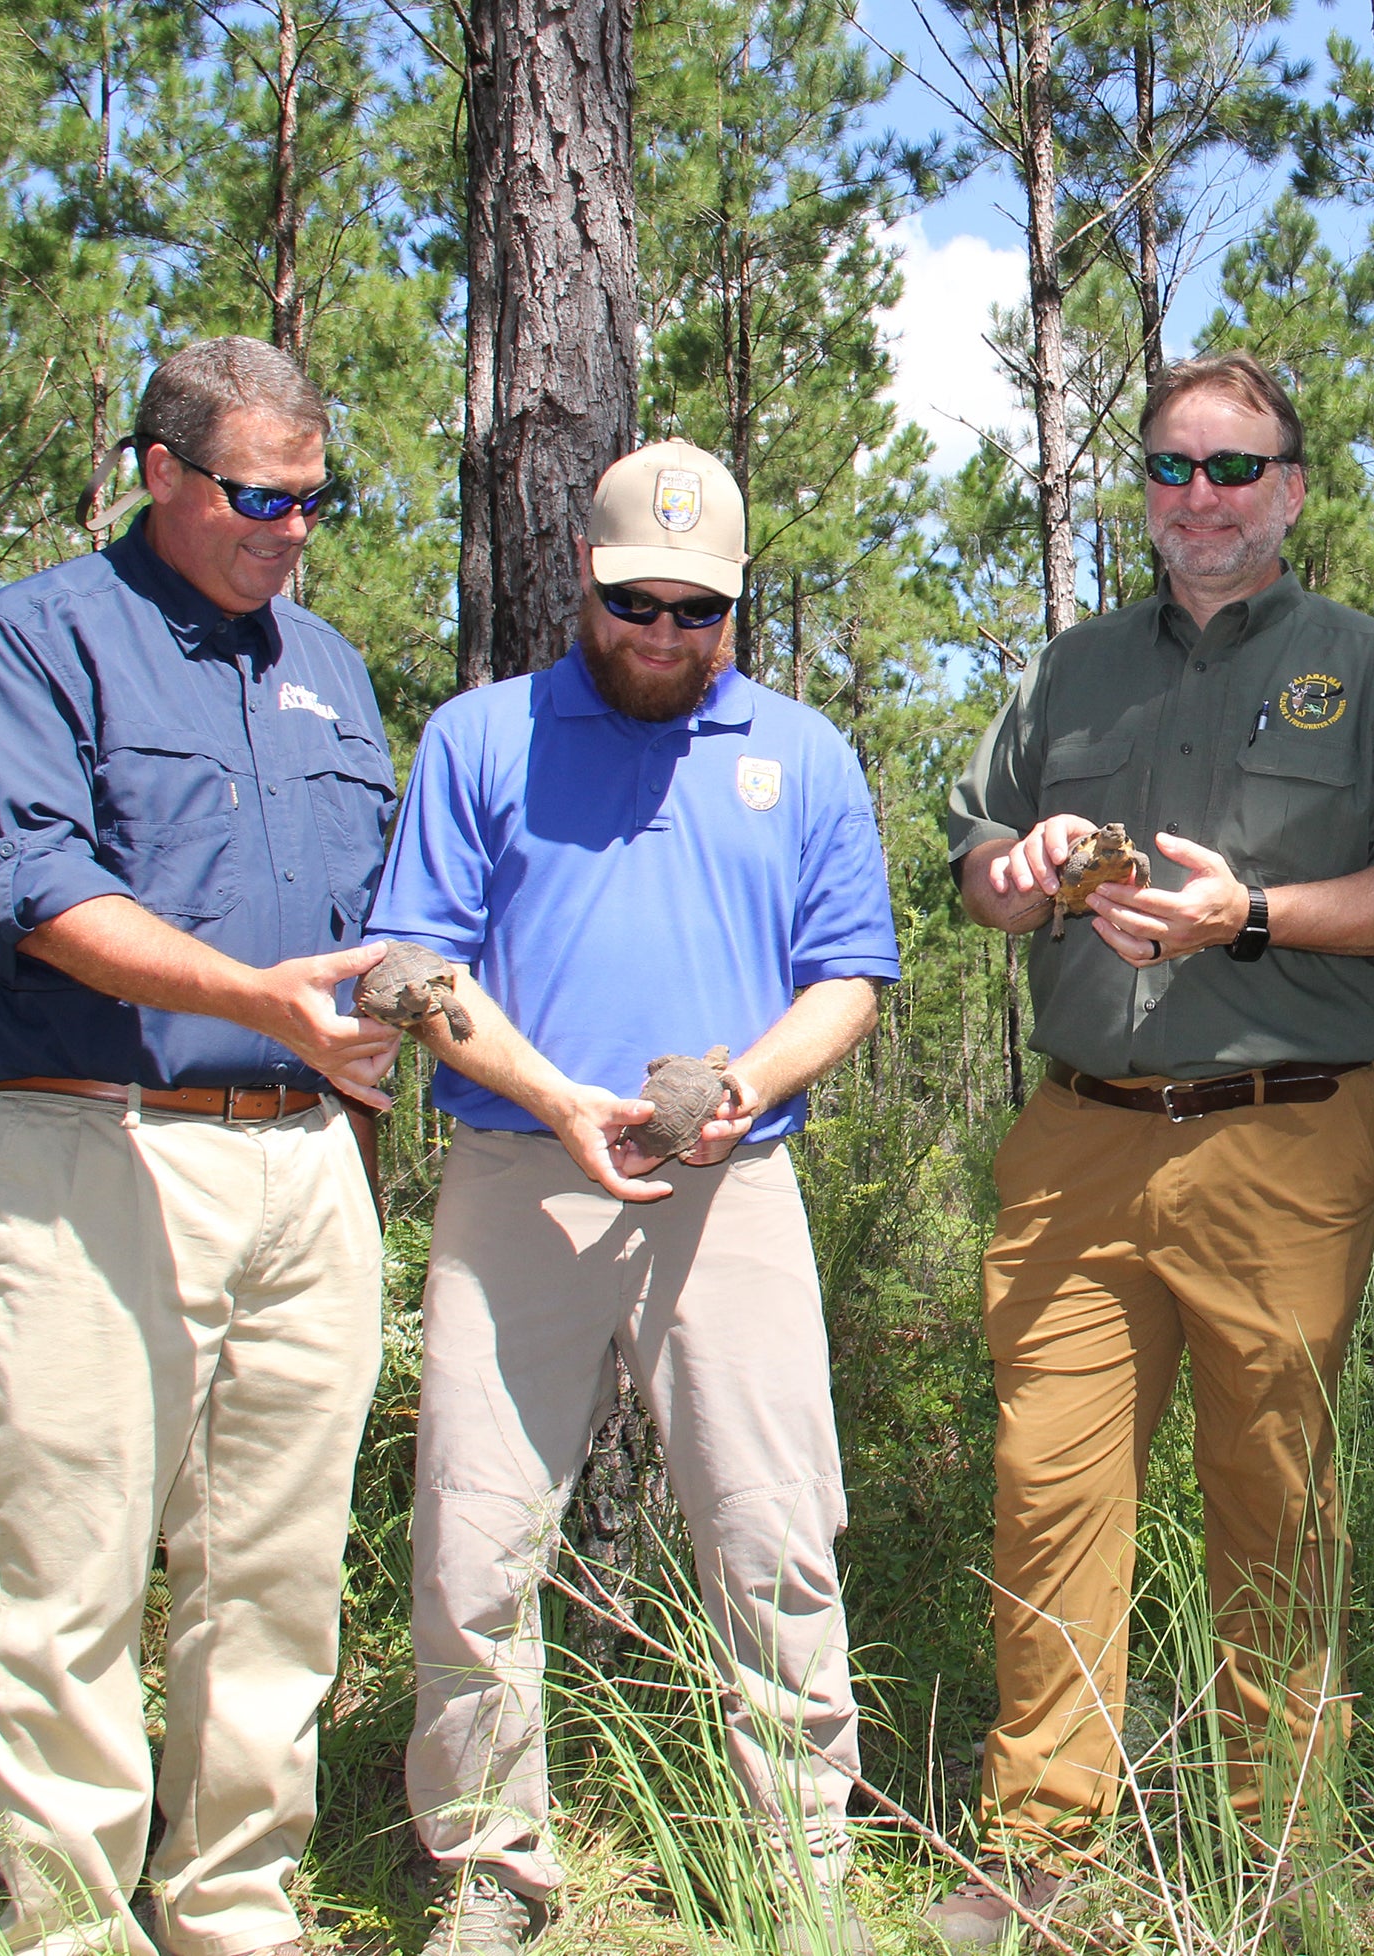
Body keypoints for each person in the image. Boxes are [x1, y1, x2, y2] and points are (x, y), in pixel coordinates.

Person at [932, 352, 1374, 1944]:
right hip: (1078, 1142)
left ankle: (1279, 1843)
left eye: (1234, 469)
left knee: (1277, 1494)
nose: (1201, 498)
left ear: (1292, 490)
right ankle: (1044, 1840)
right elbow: (972, 864)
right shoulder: (1072, 670)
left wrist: (1247, 913)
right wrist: (1017, 864)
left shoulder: (1369, 671)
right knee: (1049, 1486)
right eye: (1173, 468)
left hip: (1288, 1138)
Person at [365, 440, 899, 1956]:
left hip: (734, 1189)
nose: (665, 634)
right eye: (637, 603)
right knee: (472, 1540)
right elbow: (422, 966)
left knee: (775, 1537)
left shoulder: (800, 755)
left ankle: (801, 1872)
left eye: (699, 611)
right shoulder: (480, 738)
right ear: (582, 582)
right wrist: (556, 1100)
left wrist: (741, 1090)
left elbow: (850, 973)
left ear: (738, 606)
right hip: (517, 1182)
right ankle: (489, 1868)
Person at [0, 336, 400, 1956]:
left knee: (276, 1573)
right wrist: (263, 1002)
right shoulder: (34, 643)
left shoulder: (330, 665)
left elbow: (365, 925)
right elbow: (38, 896)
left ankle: (235, 1906)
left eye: (313, 500)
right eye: (258, 495)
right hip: (92, 1150)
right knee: (66, 1576)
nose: (289, 529)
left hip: (308, 1166)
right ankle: (71, 1926)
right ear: (160, 470)